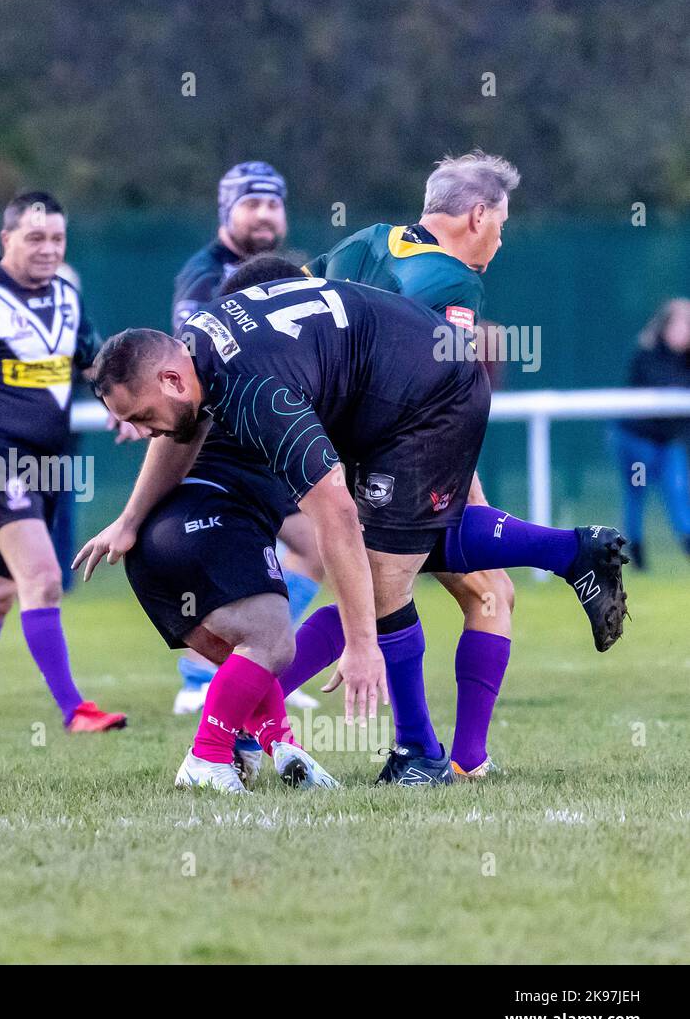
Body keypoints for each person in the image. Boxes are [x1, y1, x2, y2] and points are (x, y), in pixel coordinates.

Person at [78, 275, 629, 789]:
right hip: (392, 398)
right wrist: (129, 522)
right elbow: (181, 432)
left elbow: (334, 513)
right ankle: (574, 551)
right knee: (398, 552)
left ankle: (420, 753)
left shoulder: (257, 394)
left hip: (429, 403)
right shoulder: (197, 342)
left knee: (384, 571)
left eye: (142, 415)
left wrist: (364, 645)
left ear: (172, 379)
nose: (141, 431)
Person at [300, 150, 521, 778]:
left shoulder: (363, 242)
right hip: (402, 456)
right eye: (501, 225)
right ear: (478, 215)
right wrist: (463, 489)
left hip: (324, 445)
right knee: (456, 593)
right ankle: (443, 758)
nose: (500, 242)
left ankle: (460, 758)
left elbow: (295, 302)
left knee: (379, 596)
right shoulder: (455, 281)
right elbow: (439, 391)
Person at [128, 256, 341, 793]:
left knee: (253, 649)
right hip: (210, 523)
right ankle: (209, 752)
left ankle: (276, 742)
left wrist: (129, 520)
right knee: (276, 641)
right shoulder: (268, 370)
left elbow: (176, 428)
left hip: (160, 542)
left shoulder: (218, 364)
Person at [0, 191, 127, 735]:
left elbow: (98, 365)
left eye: (57, 239)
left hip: (51, 464)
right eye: (35, 238)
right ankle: (75, 711)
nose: (48, 249)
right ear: (6, 239)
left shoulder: (67, 297)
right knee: (42, 577)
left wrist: (124, 408)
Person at [169, 161, 323, 716]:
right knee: (239, 555)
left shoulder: (289, 272)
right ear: (226, 210)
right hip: (220, 448)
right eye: (251, 203)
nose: (263, 214)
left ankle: (257, 665)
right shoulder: (204, 275)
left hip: (265, 444)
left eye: (273, 203)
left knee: (315, 546)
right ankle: (201, 675)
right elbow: (190, 362)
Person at [611, 298, 690, 568]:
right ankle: (636, 551)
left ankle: (686, 540)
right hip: (637, 442)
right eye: (682, 324)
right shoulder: (647, 353)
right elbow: (660, 388)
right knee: (637, 491)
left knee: (678, 491)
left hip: (668, 443)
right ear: (666, 326)